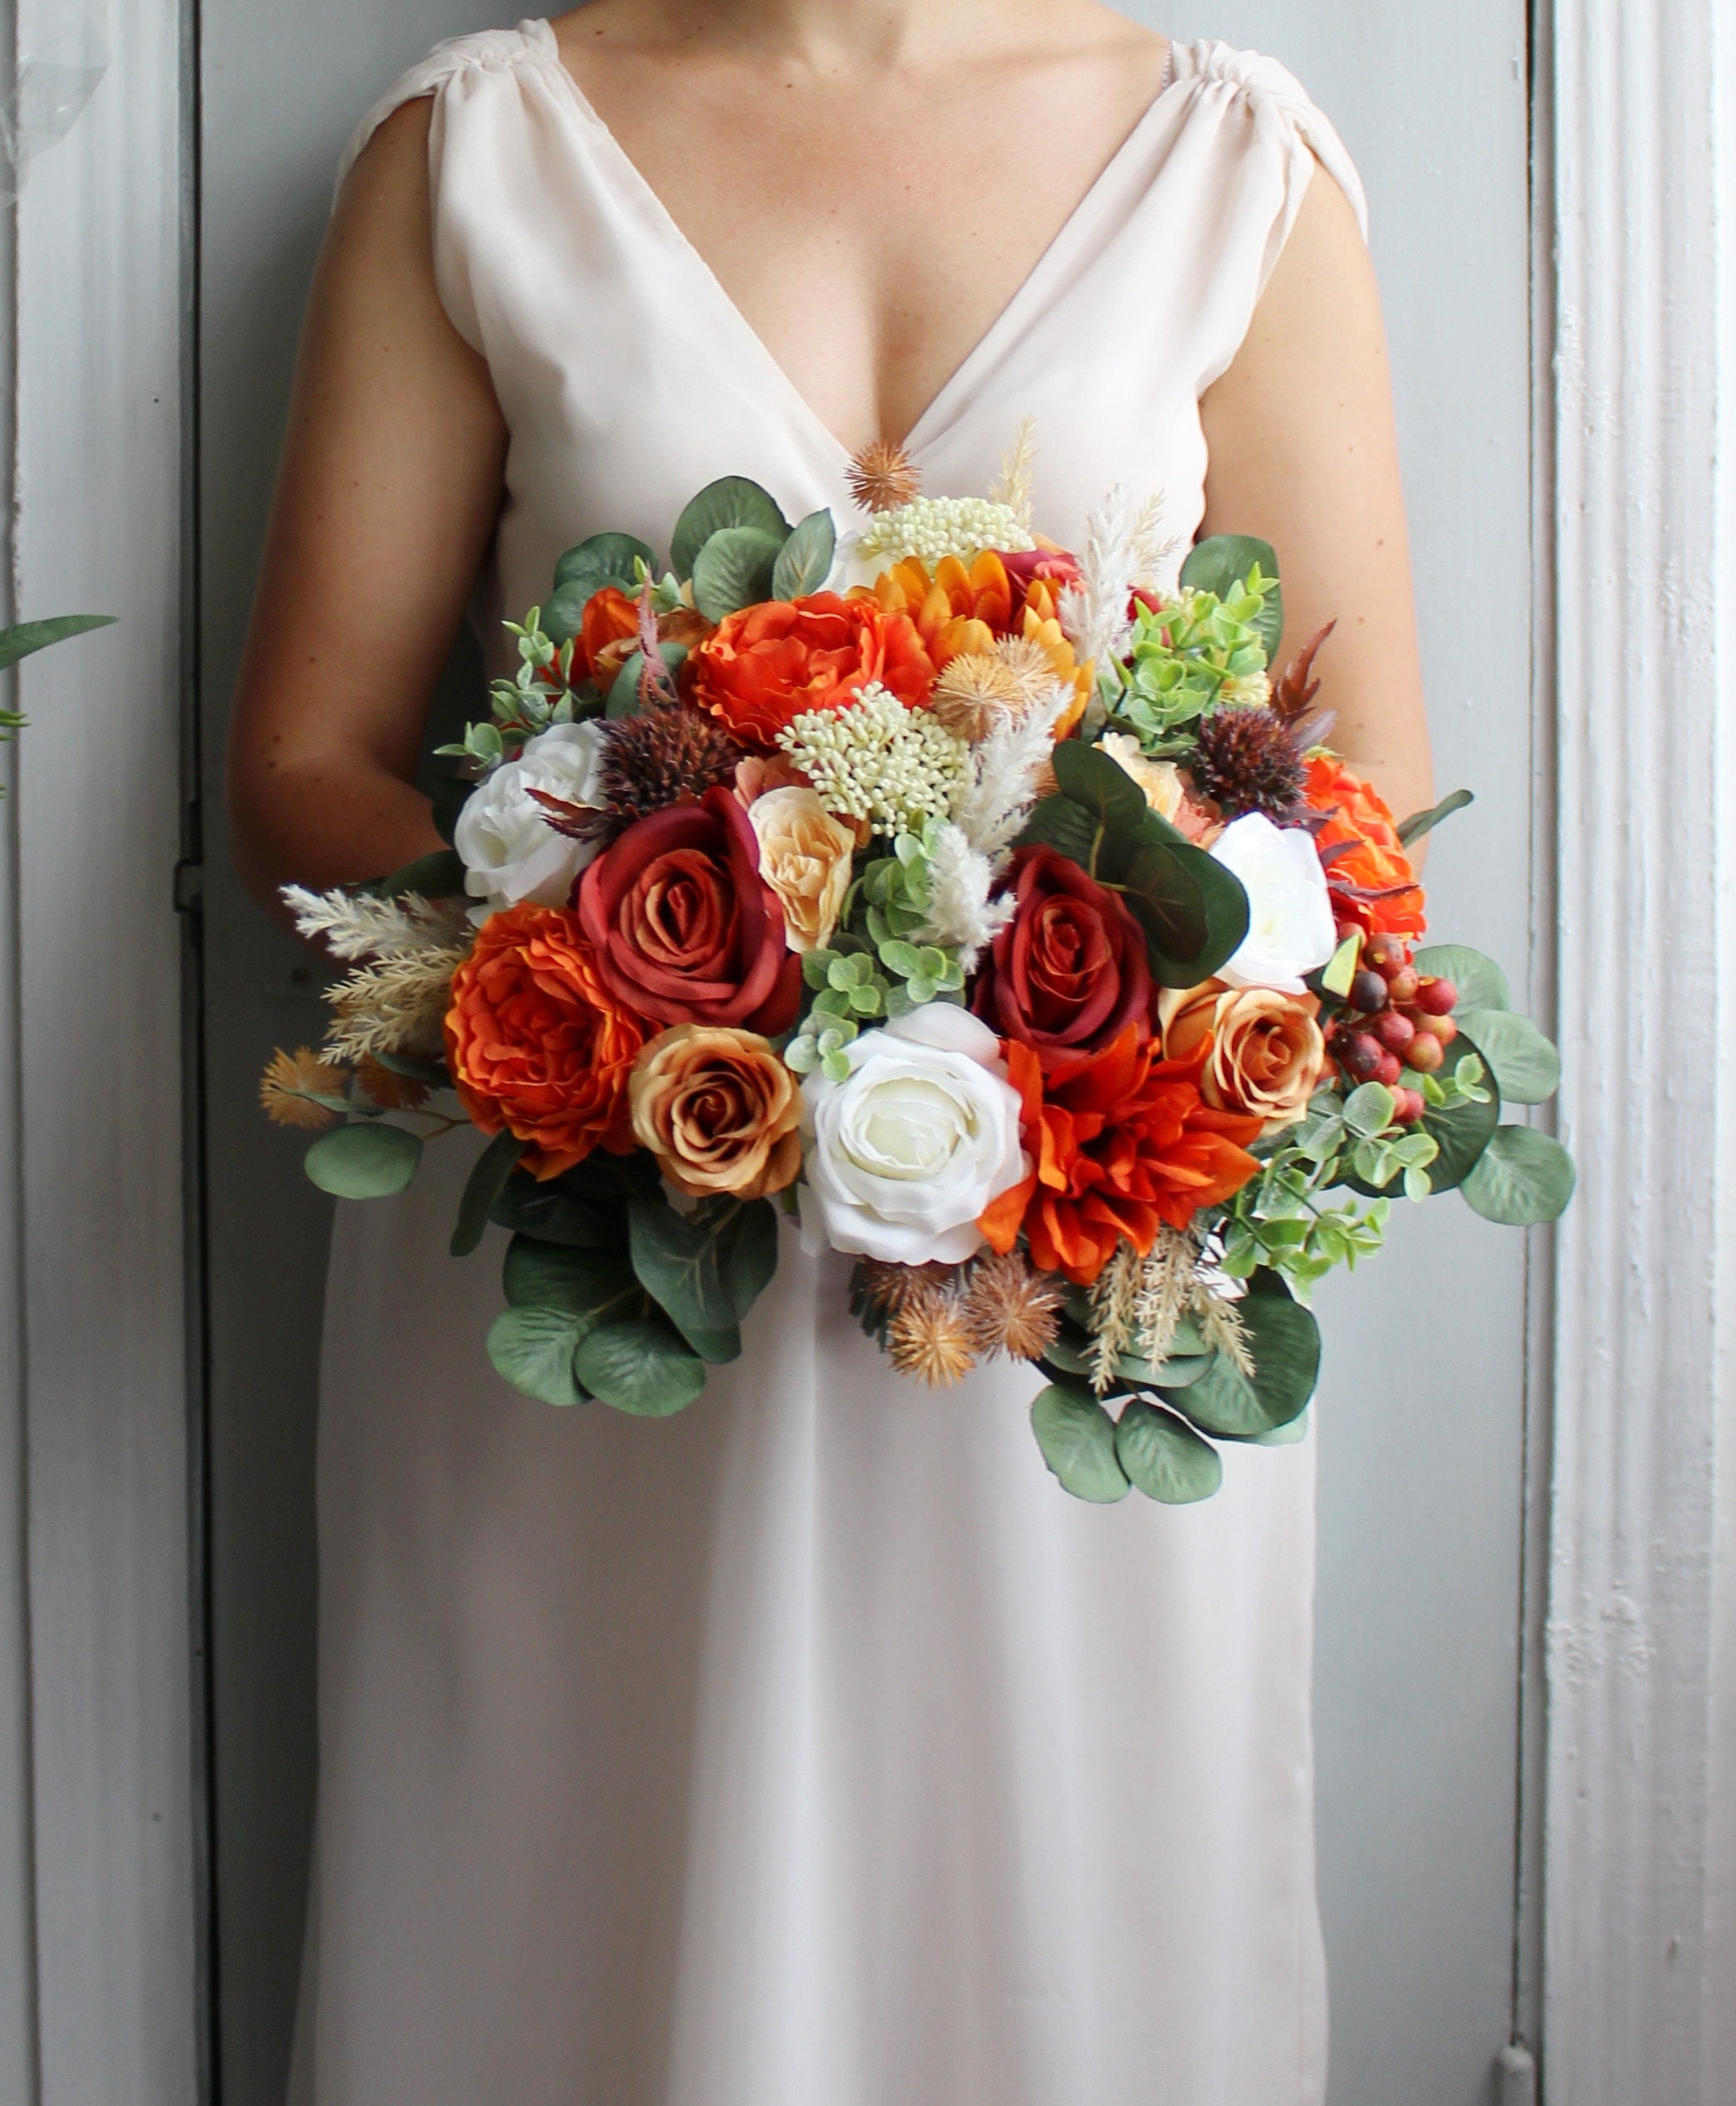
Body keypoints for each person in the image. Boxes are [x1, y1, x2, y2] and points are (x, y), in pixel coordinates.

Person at [228, 5, 1434, 2101]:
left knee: (1056, 1961)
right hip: (601, 1272)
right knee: (579, 1943)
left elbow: (1367, 800)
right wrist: (652, 973)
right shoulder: (472, 154)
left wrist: (1055, 990)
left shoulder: (1235, 162)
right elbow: (305, 769)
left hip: (1063, 1283)